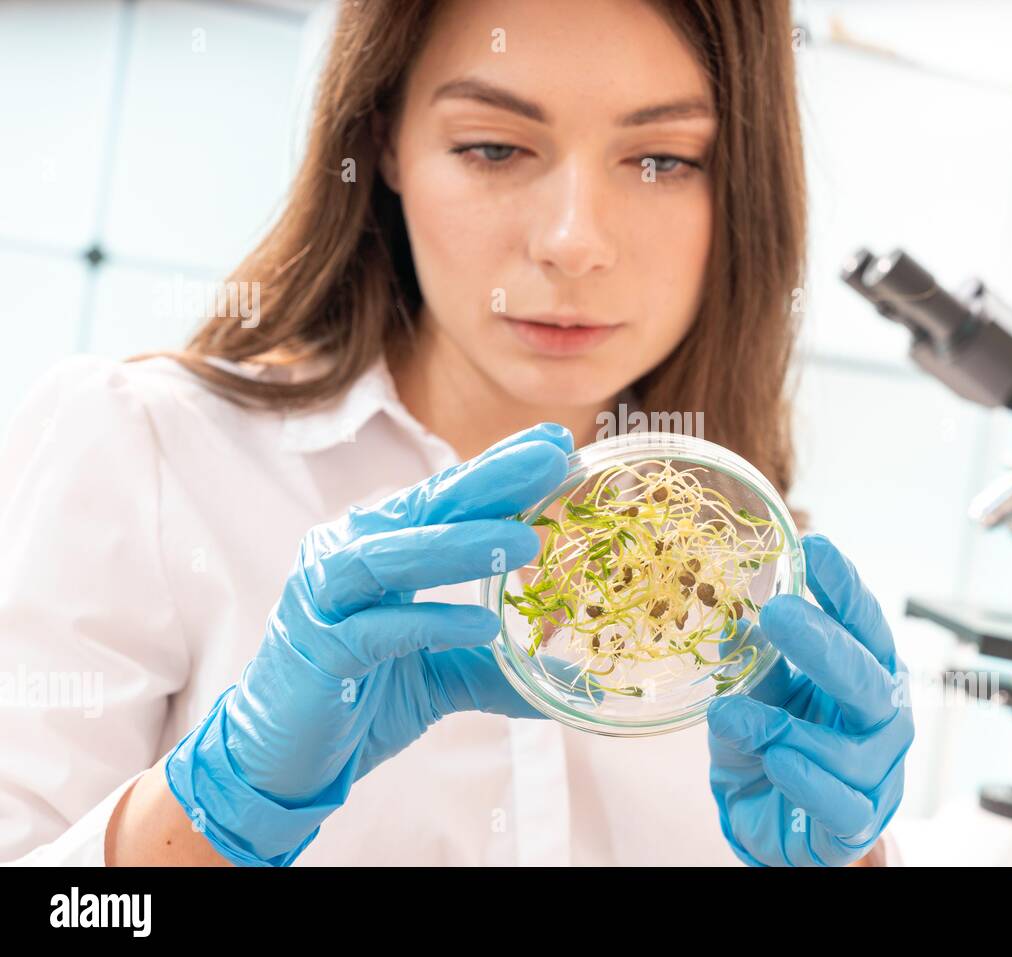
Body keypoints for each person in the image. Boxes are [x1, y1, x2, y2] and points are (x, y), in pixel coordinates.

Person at [0, 0, 911, 867]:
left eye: (662, 160)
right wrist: (219, 803)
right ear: (382, 140)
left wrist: (853, 859)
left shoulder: (745, 549)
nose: (573, 241)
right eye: (494, 146)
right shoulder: (147, 447)